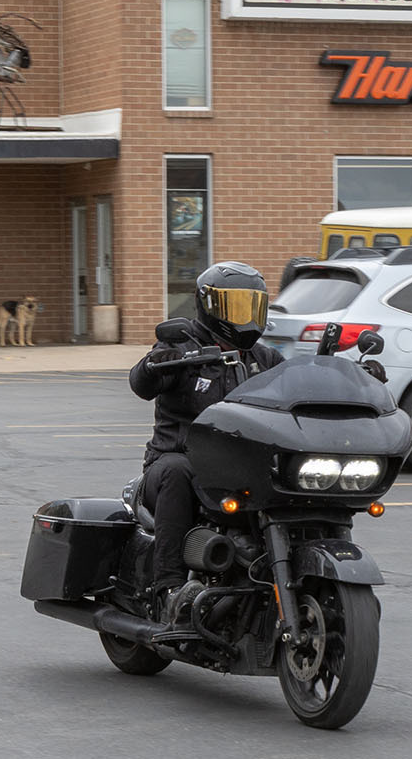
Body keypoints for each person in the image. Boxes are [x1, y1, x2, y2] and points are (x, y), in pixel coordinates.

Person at [128, 261, 284, 630]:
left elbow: (299, 388)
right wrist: (155, 364)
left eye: (251, 306)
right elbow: (141, 383)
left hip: (241, 470)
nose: (244, 317)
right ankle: (168, 589)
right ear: (209, 306)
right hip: (176, 464)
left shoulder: (265, 358)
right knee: (178, 471)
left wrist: (354, 376)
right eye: (234, 306)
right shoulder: (182, 345)